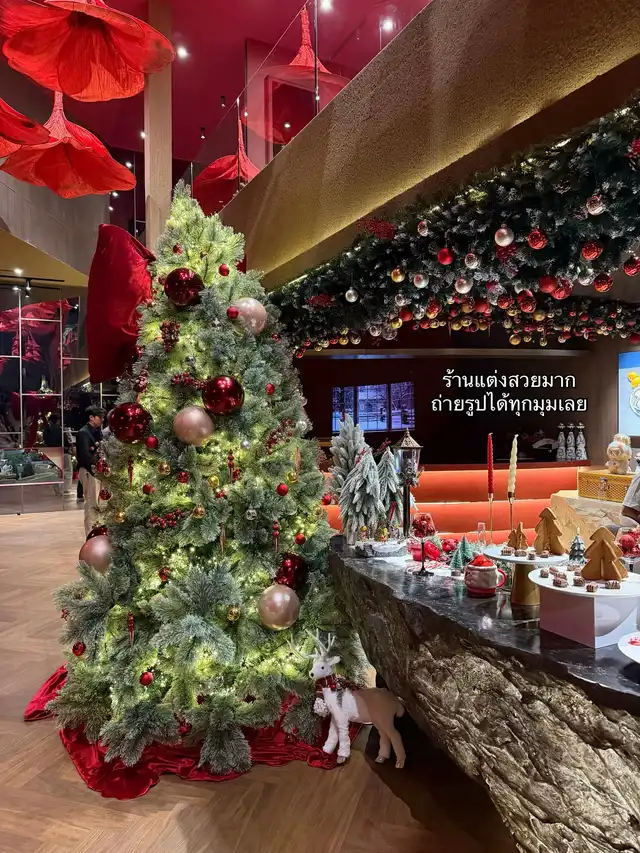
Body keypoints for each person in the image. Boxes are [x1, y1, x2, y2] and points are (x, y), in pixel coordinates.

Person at [76, 405, 105, 536]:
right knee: (92, 503)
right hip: (89, 472)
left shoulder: (97, 431)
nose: (102, 420)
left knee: (99, 503)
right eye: (100, 417)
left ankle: (98, 531)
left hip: (97, 472)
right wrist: (98, 466)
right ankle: (90, 534)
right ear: (91, 417)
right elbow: (85, 457)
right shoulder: (83, 432)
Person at [43, 413, 73, 496]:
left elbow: (45, 442)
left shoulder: (46, 430)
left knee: (55, 472)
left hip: (52, 452)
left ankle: (57, 490)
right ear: (58, 420)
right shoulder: (61, 429)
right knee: (67, 470)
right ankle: (65, 489)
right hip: (63, 452)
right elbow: (66, 441)